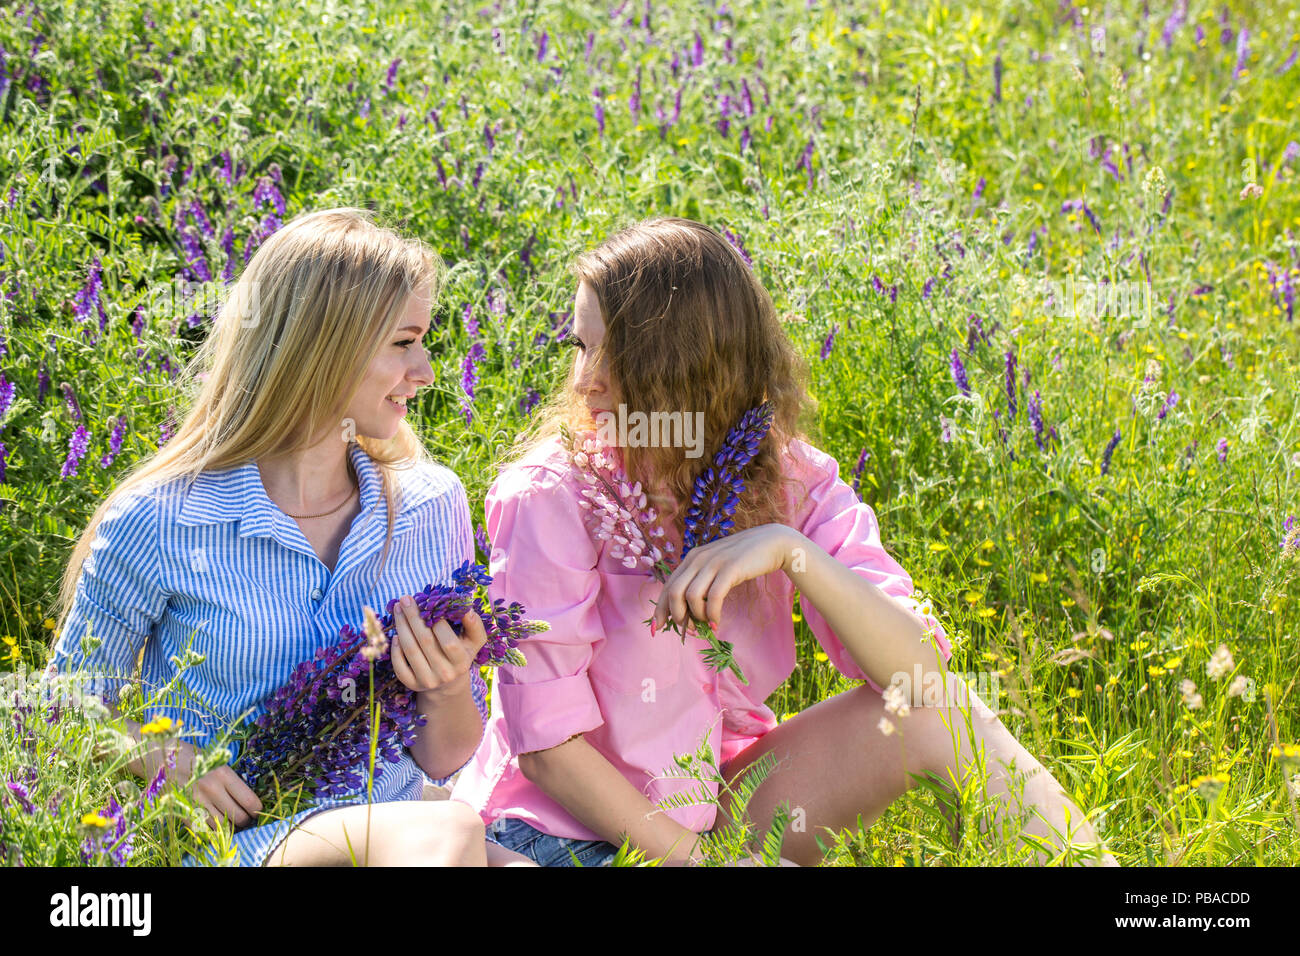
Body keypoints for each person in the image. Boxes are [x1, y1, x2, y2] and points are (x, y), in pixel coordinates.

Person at [455, 217, 1117, 867]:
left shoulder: (790, 476)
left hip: (710, 805)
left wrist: (792, 553)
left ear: (689, 365)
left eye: (614, 355)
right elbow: (547, 749)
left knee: (939, 711)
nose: (583, 381)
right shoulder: (550, 494)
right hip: (562, 834)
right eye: (579, 347)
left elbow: (917, 677)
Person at [48, 207, 531, 866]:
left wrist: (445, 688)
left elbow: (443, 758)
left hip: (400, 836)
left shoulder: (432, 504)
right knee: (450, 833)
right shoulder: (161, 518)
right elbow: (59, 710)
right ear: (322, 344)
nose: (426, 371)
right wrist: (153, 752)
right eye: (403, 342)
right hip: (243, 843)